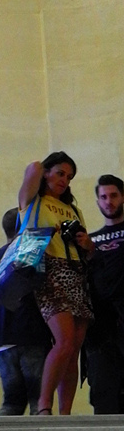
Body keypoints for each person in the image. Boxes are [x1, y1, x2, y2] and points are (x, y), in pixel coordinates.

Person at [18, 151, 92, 416]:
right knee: (64, 342)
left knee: (73, 350)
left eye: (69, 176)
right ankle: (44, 406)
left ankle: (66, 412)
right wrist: (44, 170)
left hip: (76, 273)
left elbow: (89, 252)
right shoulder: (32, 202)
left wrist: (87, 244)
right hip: (49, 272)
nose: (64, 180)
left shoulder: (74, 209)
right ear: (47, 172)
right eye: (60, 173)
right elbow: (33, 166)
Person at [0, 209, 53, 415]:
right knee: (39, 400)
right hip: (32, 336)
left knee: (11, 402)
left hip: (2, 341)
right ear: (24, 226)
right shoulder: (30, 256)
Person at [84, 175, 124, 414]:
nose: (108, 201)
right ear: (97, 201)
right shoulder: (90, 241)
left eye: (113, 195)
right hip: (100, 330)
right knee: (103, 395)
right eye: (103, 197)